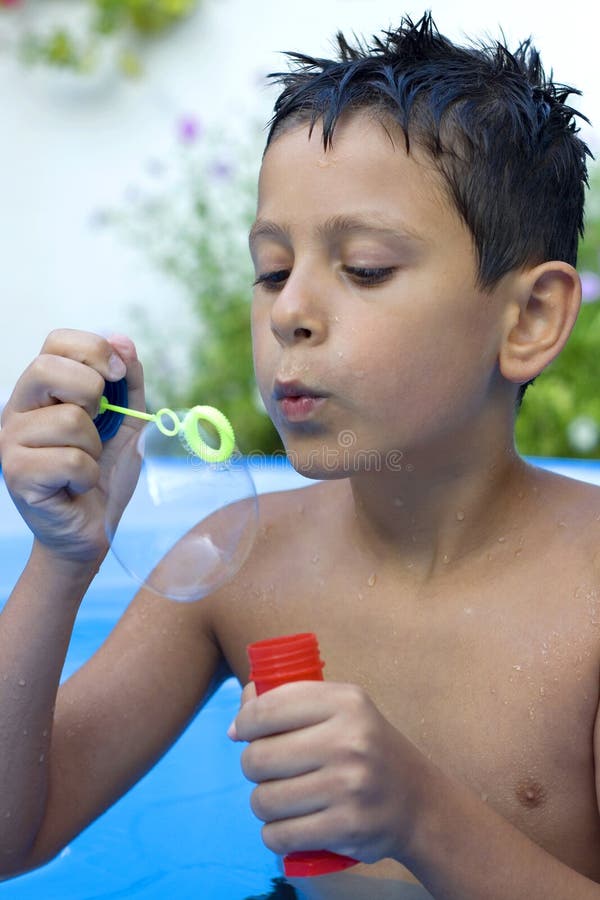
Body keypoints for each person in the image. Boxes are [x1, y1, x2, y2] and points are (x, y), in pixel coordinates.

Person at [0, 12, 598, 899]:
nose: (289, 313)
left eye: (363, 269)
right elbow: (15, 835)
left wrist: (421, 817)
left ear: (529, 320)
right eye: (273, 270)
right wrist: (59, 559)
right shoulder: (245, 563)